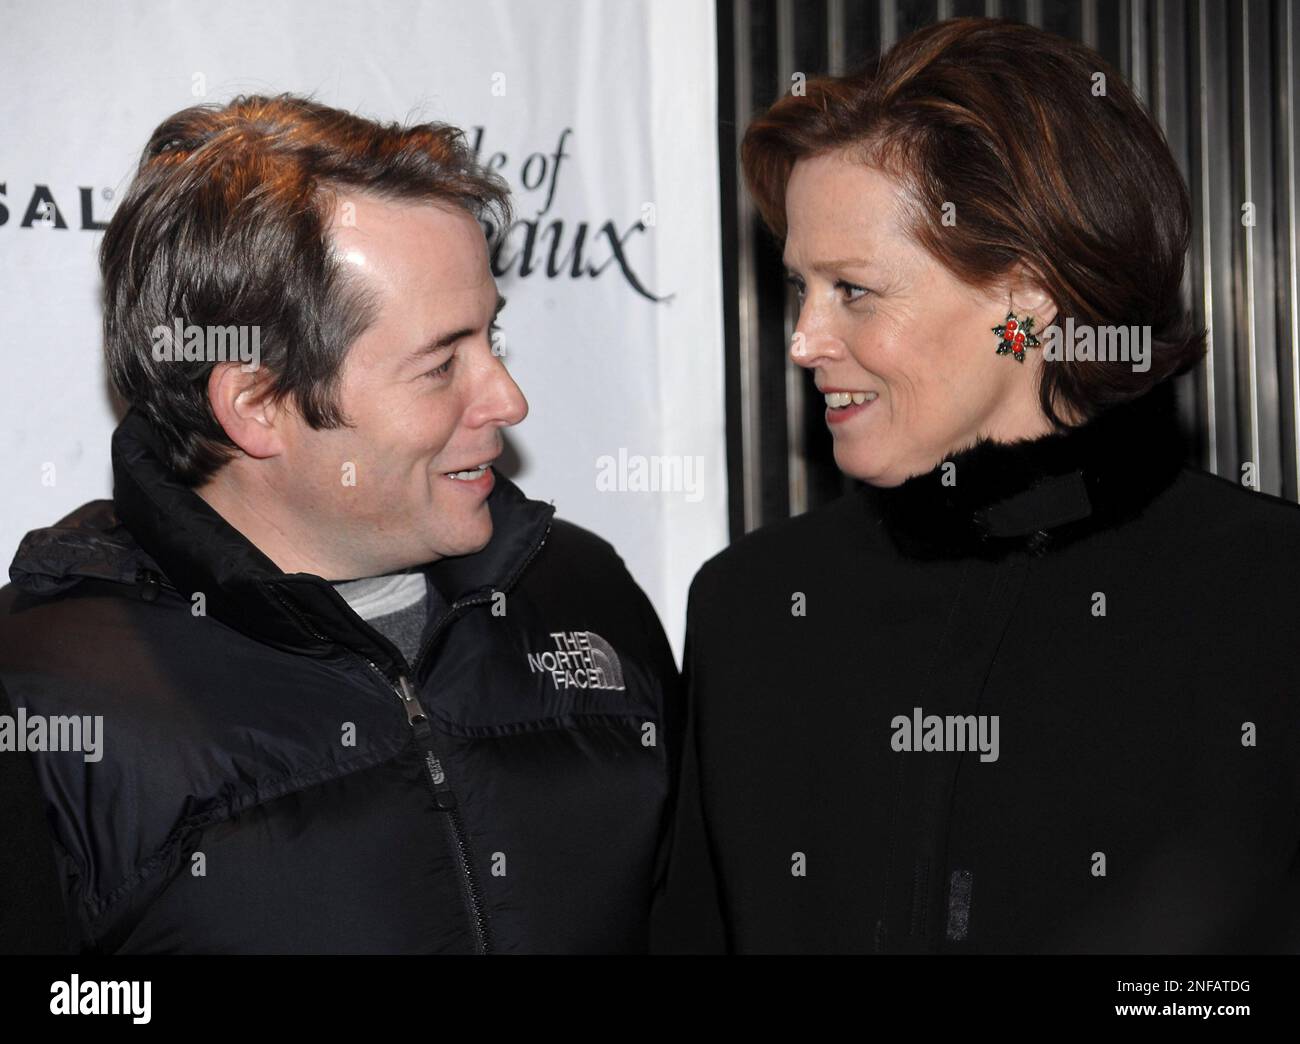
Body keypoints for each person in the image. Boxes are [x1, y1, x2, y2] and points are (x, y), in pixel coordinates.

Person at [651, 17, 1300, 954]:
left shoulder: (1270, 596)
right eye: (800, 288)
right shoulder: (752, 609)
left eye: (854, 290)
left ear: (1028, 299)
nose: (802, 341)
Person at [0, 94, 679, 954]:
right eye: (441, 364)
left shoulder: (585, 593)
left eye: (492, 339)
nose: (508, 399)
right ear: (256, 404)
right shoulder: (36, 701)